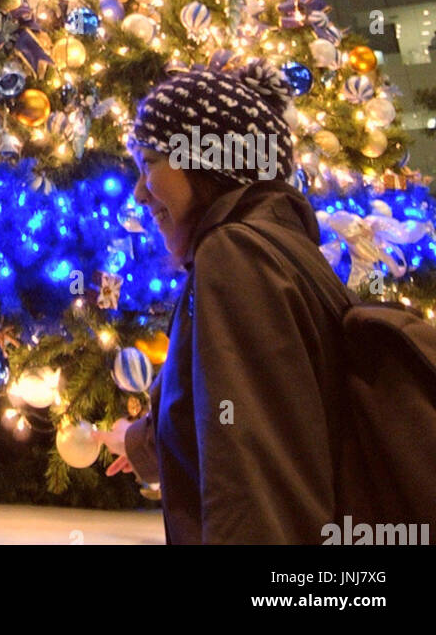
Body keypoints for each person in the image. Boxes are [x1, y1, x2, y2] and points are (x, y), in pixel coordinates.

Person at [95, 57, 358, 545]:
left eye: (149, 163)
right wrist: (140, 442)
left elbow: (253, 477)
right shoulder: (276, 245)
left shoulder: (235, 255)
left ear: (206, 160)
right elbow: (221, 411)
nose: (138, 192)